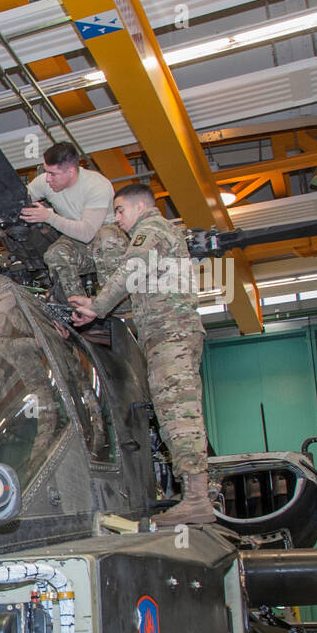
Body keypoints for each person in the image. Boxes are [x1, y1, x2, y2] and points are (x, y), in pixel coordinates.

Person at [67, 182, 214, 525]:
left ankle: (196, 500)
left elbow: (131, 271)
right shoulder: (157, 235)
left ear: (139, 207)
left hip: (170, 334)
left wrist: (97, 306)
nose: (117, 219)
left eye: (119, 210)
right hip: (165, 334)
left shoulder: (152, 229)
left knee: (179, 414)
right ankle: (194, 497)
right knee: (172, 411)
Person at [0, 141, 127, 302]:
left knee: (107, 237)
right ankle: (77, 309)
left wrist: (49, 217)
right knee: (54, 254)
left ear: (71, 171)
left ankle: (116, 304)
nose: (48, 179)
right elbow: (15, 202)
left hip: (106, 236)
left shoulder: (97, 186)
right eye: (46, 172)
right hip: (76, 236)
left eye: (53, 174)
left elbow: (87, 233)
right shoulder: (46, 182)